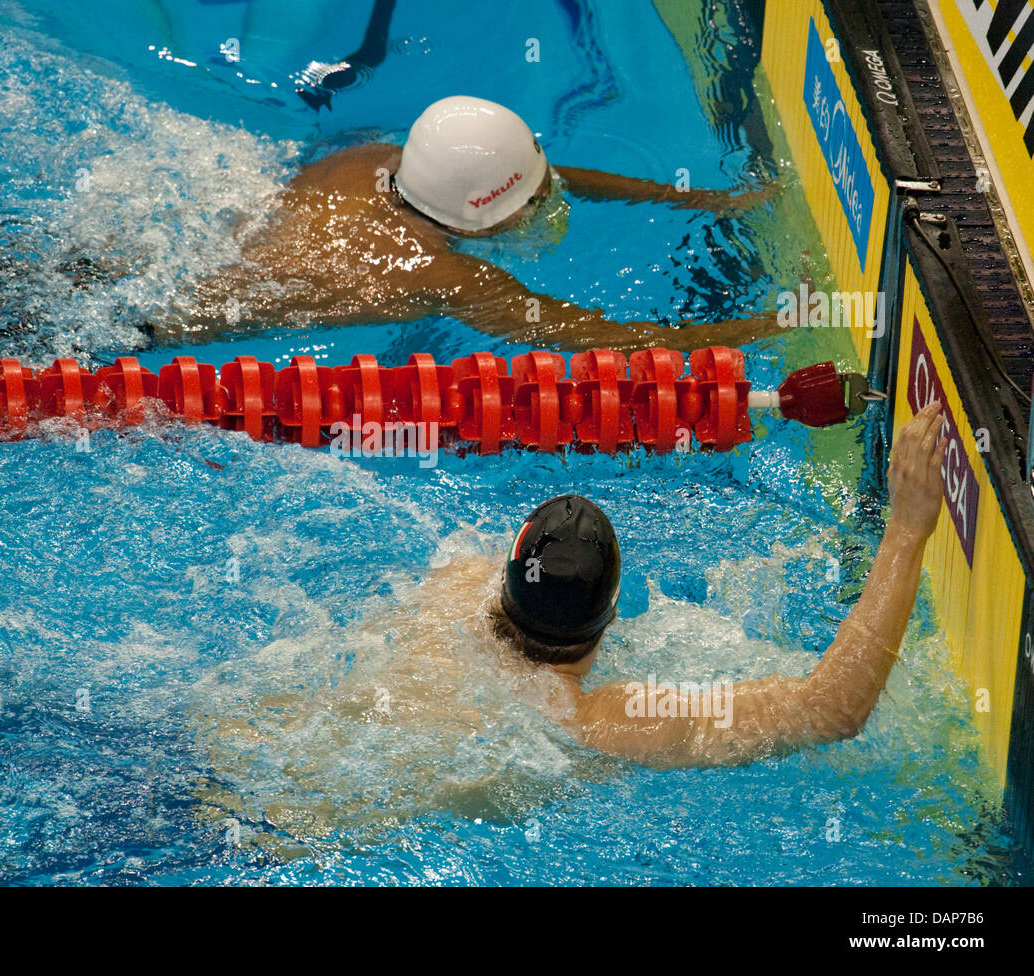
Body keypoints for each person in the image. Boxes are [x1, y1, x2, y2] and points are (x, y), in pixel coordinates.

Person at [486, 399, 947, 767]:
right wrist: (906, 529)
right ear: (611, 614)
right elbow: (831, 710)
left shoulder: (453, 594)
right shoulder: (609, 723)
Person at [169, 95, 779, 353]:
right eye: (533, 206)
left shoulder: (377, 163)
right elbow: (617, 343)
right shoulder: (446, 276)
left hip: (173, 254)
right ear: (482, 225)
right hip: (163, 322)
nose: (549, 201)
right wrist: (776, 322)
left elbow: (533, 173)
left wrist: (704, 200)